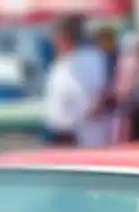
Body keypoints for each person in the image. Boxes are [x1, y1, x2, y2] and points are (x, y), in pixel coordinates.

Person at [43, 14, 109, 147]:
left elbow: (98, 95)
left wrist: (84, 116)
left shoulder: (90, 58)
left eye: (55, 37)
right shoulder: (61, 63)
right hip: (60, 133)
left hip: (82, 136)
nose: (53, 42)